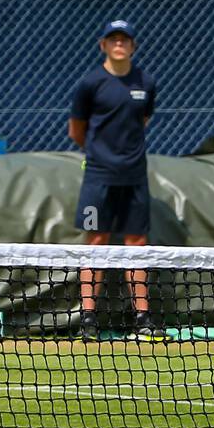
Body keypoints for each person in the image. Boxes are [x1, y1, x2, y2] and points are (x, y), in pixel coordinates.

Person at [68, 20, 166, 342]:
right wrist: (101, 157)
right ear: (104, 46)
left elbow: (143, 120)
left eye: (125, 39)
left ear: (133, 46)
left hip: (135, 177)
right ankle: (88, 318)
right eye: (114, 39)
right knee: (96, 241)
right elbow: (76, 130)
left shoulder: (146, 82)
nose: (119, 44)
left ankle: (142, 316)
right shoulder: (89, 84)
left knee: (137, 244)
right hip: (98, 177)